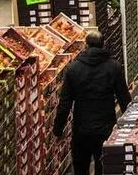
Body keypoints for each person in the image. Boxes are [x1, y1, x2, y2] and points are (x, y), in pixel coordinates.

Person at [53, 32, 132, 175]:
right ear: (103, 44)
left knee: (81, 166)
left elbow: (65, 103)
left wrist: (58, 129)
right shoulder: (114, 67)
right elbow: (124, 98)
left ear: (86, 45)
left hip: (81, 129)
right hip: (106, 128)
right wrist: (130, 127)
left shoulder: (73, 69)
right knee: (103, 166)